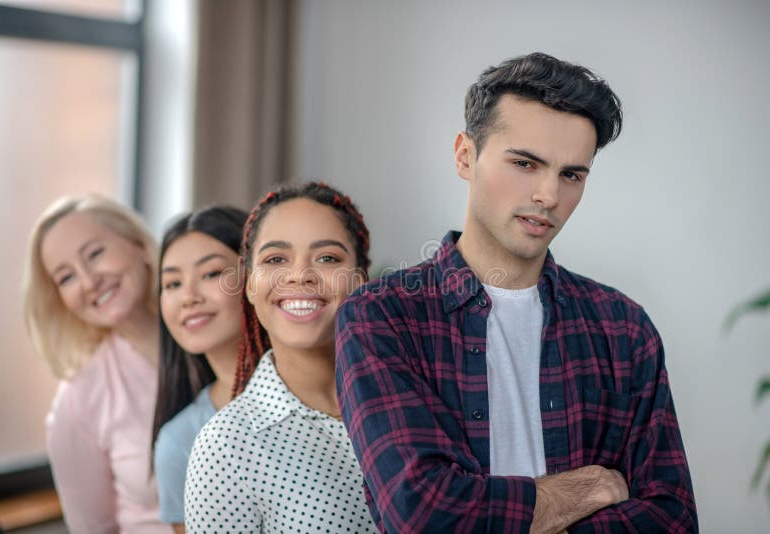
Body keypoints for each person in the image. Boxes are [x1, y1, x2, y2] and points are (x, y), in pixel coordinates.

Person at [336, 52, 698, 533]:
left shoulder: (623, 328)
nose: (549, 195)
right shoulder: (382, 318)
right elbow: (423, 515)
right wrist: (589, 488)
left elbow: (673, 519)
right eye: (525, 163)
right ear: (465, 156)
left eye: (571, 174)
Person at [184, 182, 376, 533]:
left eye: (328, 258)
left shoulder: (414, 399)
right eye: (275, 259)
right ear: (249, 285)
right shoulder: (226, 446)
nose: (300, 275)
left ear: (360, 281)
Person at [23, 194, 171, 533]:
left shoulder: (215, 335)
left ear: (138, 244)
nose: (89, 282)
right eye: (66, 277)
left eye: (94, 254)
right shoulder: (77, 402)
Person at [152, 205, 247, 533]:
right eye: (172, 284)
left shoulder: (339, 389)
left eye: (210, 273)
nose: (188, 297)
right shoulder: (179, 441)